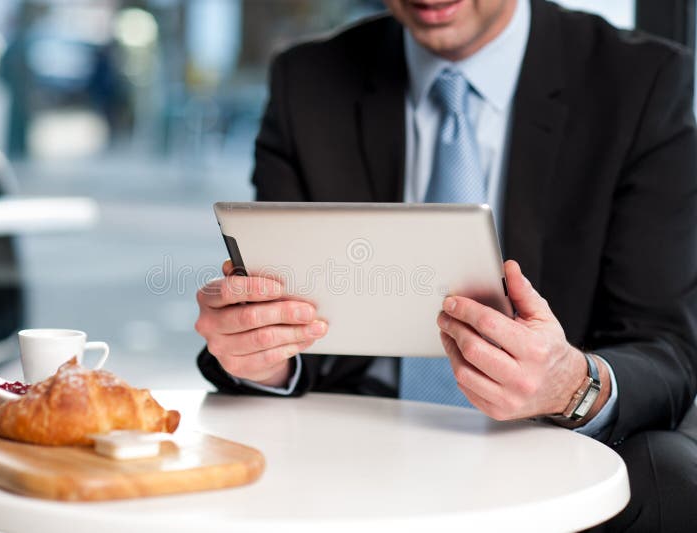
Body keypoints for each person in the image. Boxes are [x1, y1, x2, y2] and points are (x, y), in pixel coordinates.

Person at [195, 0, 697, 530]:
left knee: (673, 481)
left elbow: (664, 345)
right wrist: (267, 352)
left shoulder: (640, 83)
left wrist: (572, 385)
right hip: (355, 433)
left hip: (550, 438)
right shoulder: (307, 81)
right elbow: (292, 307)